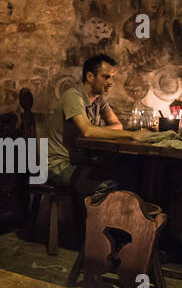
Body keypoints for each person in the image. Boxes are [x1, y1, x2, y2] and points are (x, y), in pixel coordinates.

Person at [44, 53, 132, 193]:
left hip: (80, 161)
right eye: (106, 77)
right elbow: (87, 131)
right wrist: (134, 135)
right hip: (60, 166)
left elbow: (118, 126)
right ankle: (88, 214)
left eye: (113, 77)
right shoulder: (73, 97)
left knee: (128, 172)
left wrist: (95, 130)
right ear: (90, 77)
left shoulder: (99, 100)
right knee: (110, 183)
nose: (111, 82)